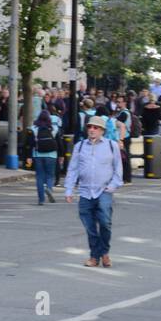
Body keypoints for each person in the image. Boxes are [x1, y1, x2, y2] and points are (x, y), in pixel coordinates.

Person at [65, 116, 124, 267]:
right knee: (90, 227)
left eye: (95, 127)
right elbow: (73, 169)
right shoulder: (79, 146)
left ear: (102, 131)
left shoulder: (111, 145)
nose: (91, 129)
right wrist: (69, 189)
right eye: (89, 127)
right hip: (85, 191)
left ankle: (103, 252)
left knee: (105, 223)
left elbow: (118, 168)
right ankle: (95, 256)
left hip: (104, 190)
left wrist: (112, 186)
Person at [30, 106, 62, 205]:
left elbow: (30, 143)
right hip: (51, 155)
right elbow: (59, 143)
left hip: (38, 154)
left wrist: (28, 157)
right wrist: (61, 155)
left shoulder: (34, 128)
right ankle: (49, 189)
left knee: (39, 176)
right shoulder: (54, 129)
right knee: (50, 175)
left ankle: (41, 199)